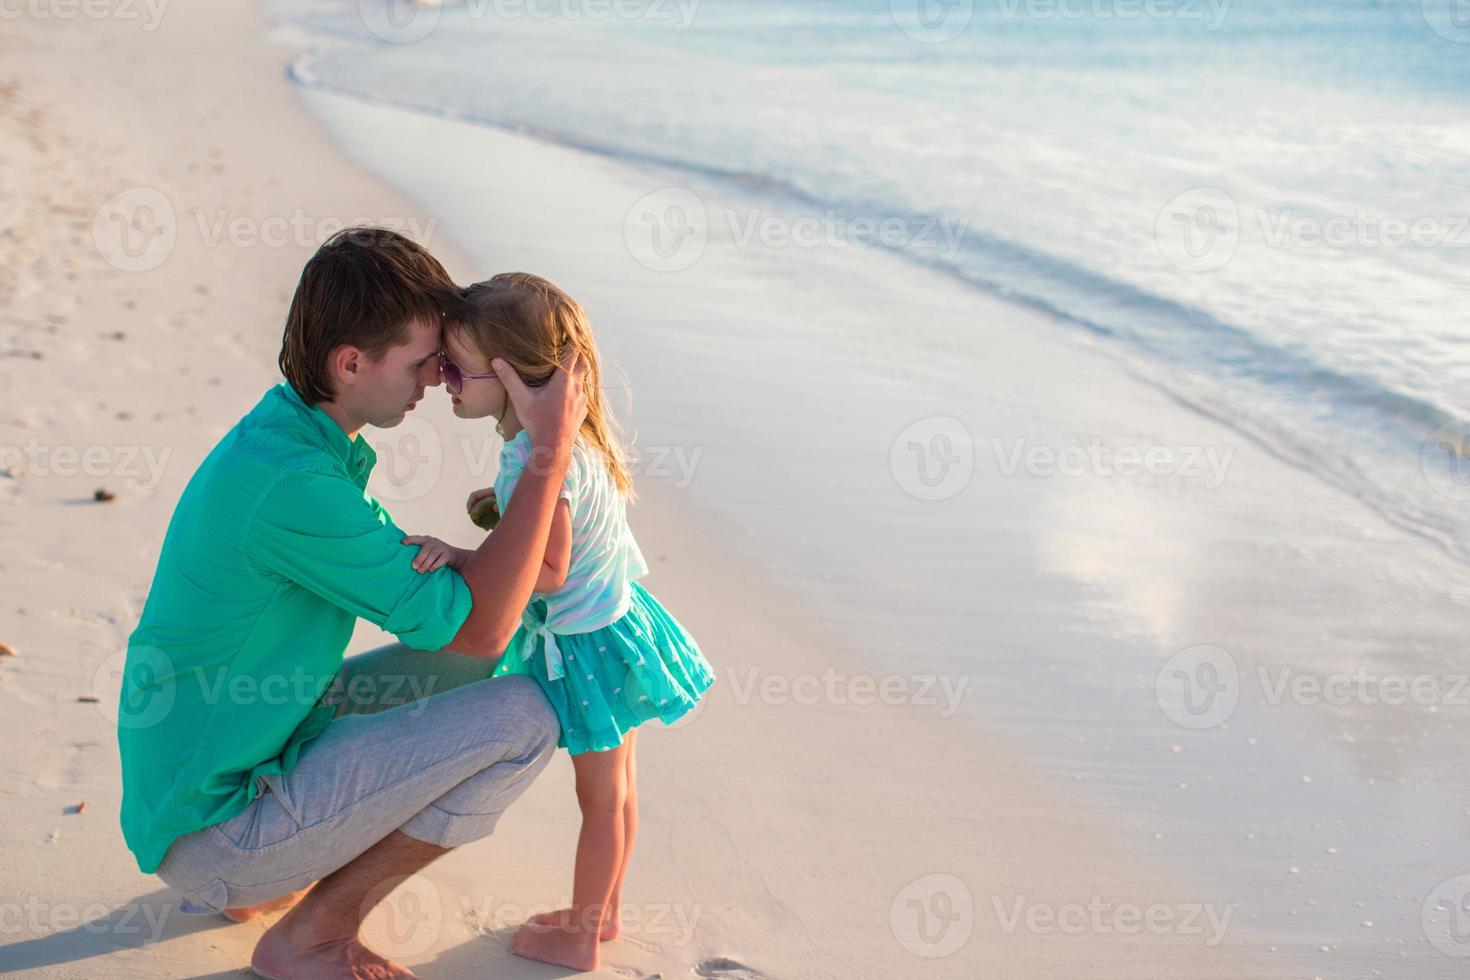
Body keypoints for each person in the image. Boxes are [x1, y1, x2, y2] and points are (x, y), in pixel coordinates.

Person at [117, 229, 586, 980]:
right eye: (422, 360)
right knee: (528, 718)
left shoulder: (287, 437)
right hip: (213, 831)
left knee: (471, 671)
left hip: (217, 769)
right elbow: (480, 624)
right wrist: (548, 452)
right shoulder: (298, 486)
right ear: (351, 363)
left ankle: (268, 871)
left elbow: (464, 636)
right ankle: (312, 935)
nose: (437, 378)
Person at [407, 272, 715, 971]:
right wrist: (507, 505)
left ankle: (581, 935)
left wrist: (463, 557)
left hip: (587, 647)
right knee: (620, 789)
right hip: (619, 623)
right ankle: (599, 915)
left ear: (514, 379)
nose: (444, 379)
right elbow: (562, 526)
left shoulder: (532, 459)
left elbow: (543, 573)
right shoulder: (571, 441)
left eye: (456, 367)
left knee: (599, 798)